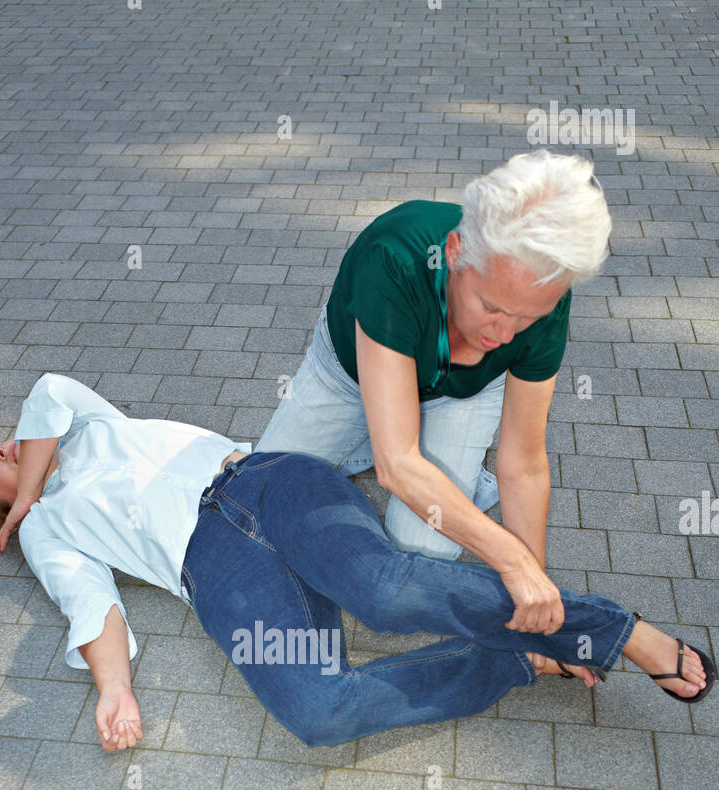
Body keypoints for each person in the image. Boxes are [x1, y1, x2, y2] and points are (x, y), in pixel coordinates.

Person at [0, 374, 714, 753]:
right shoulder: (47, 530)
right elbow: (90, 605)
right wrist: (114, 690)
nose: (4, 451)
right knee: (316, 712)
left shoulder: (82, 425)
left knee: (383, 592)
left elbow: (45, 392)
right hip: (213, 570)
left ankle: (612, 632)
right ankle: (521, 660)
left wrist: (27, 481)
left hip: (265, 482)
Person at [255, 147, 609, 600]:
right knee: (261, 498)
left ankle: (424, 459)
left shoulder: (546, 298)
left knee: (417, 557)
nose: (504, 333)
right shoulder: (394, 258)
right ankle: (381, 436)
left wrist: (534, 585)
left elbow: (523, 462)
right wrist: (510, 557)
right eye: (492, 307)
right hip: (349, 377)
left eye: (526, 318)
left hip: (461, 394)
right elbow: (397, 465)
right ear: (456, 252)